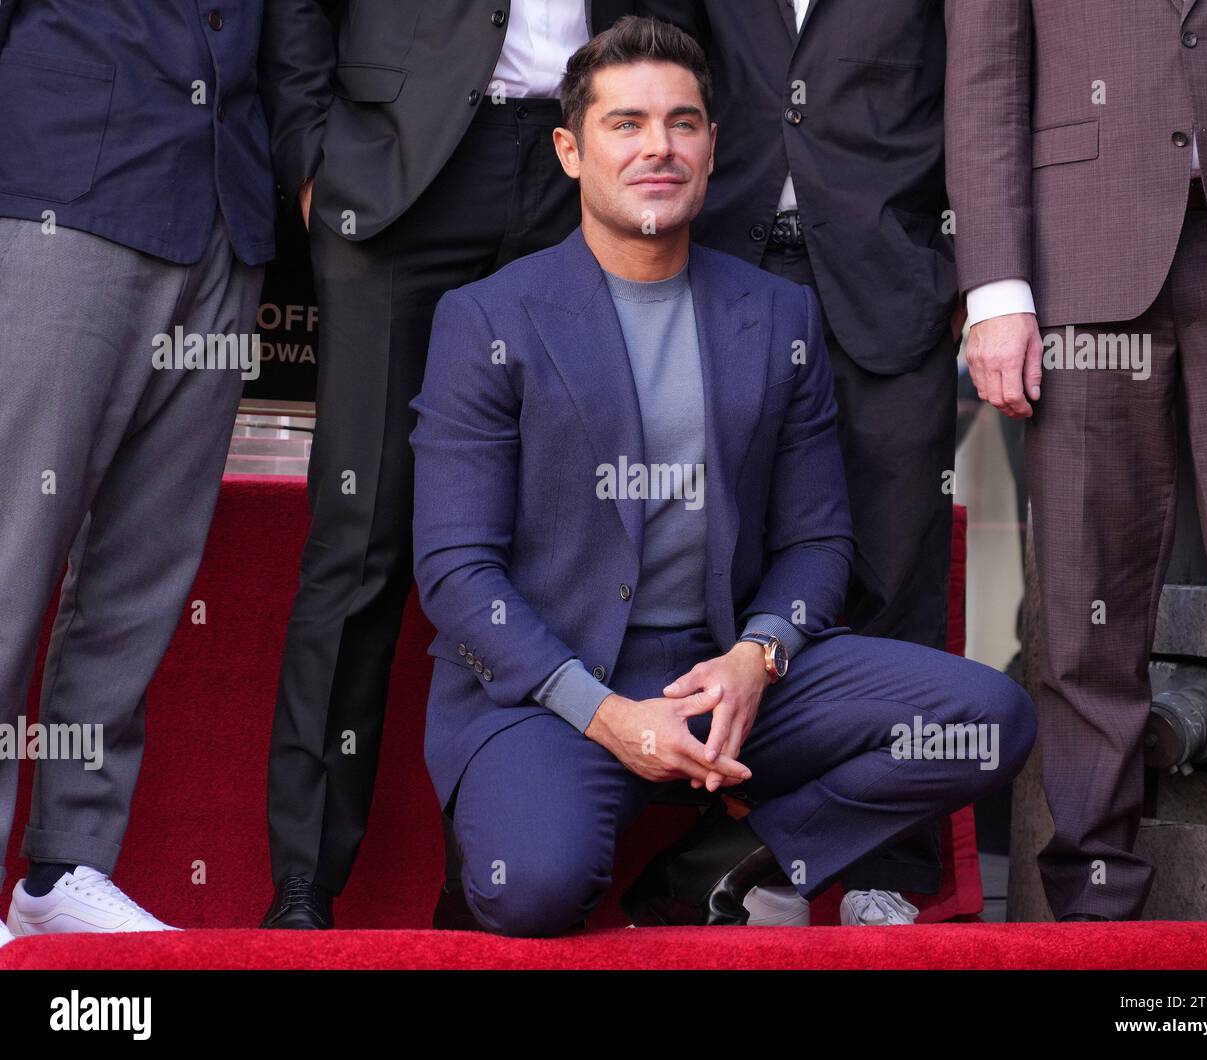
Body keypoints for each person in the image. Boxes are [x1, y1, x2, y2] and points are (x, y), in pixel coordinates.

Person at [411, 15, 1034, 936]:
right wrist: (607, 715)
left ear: (712, 145)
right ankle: (529, 836)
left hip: (726, 677)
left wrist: (760, 655)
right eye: (625, 124)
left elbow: (818, 537)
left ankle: (724, 864)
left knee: (989, 720)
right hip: (560, 683)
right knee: (534, 887)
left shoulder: (778, 316)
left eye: (683, 123)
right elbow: (458, 573)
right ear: (569, 149)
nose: (657, 147)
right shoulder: (486, 318)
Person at [256, 0, 698, 930]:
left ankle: (490, 871)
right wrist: (309, 161)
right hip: (397, 166)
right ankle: (304, 880)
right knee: (362, 536)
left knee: (563, 535)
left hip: (579, 154)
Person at [945, 0, 1207, 924]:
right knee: (1082, 606)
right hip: (1080, 256)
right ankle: (1093, 909)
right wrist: (995, 287)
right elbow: (984, 75)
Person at [682, 0, 961, 925]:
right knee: (729, 572)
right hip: (724, 265)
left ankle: (891, 862)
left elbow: (976, 87)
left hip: (890, 276)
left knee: (899, 576)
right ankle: (748, 852)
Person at [0, 0, 273, 943]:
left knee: (142, 572)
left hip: (226, 218)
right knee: (8, 554)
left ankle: (63, 867)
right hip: (58, 195)